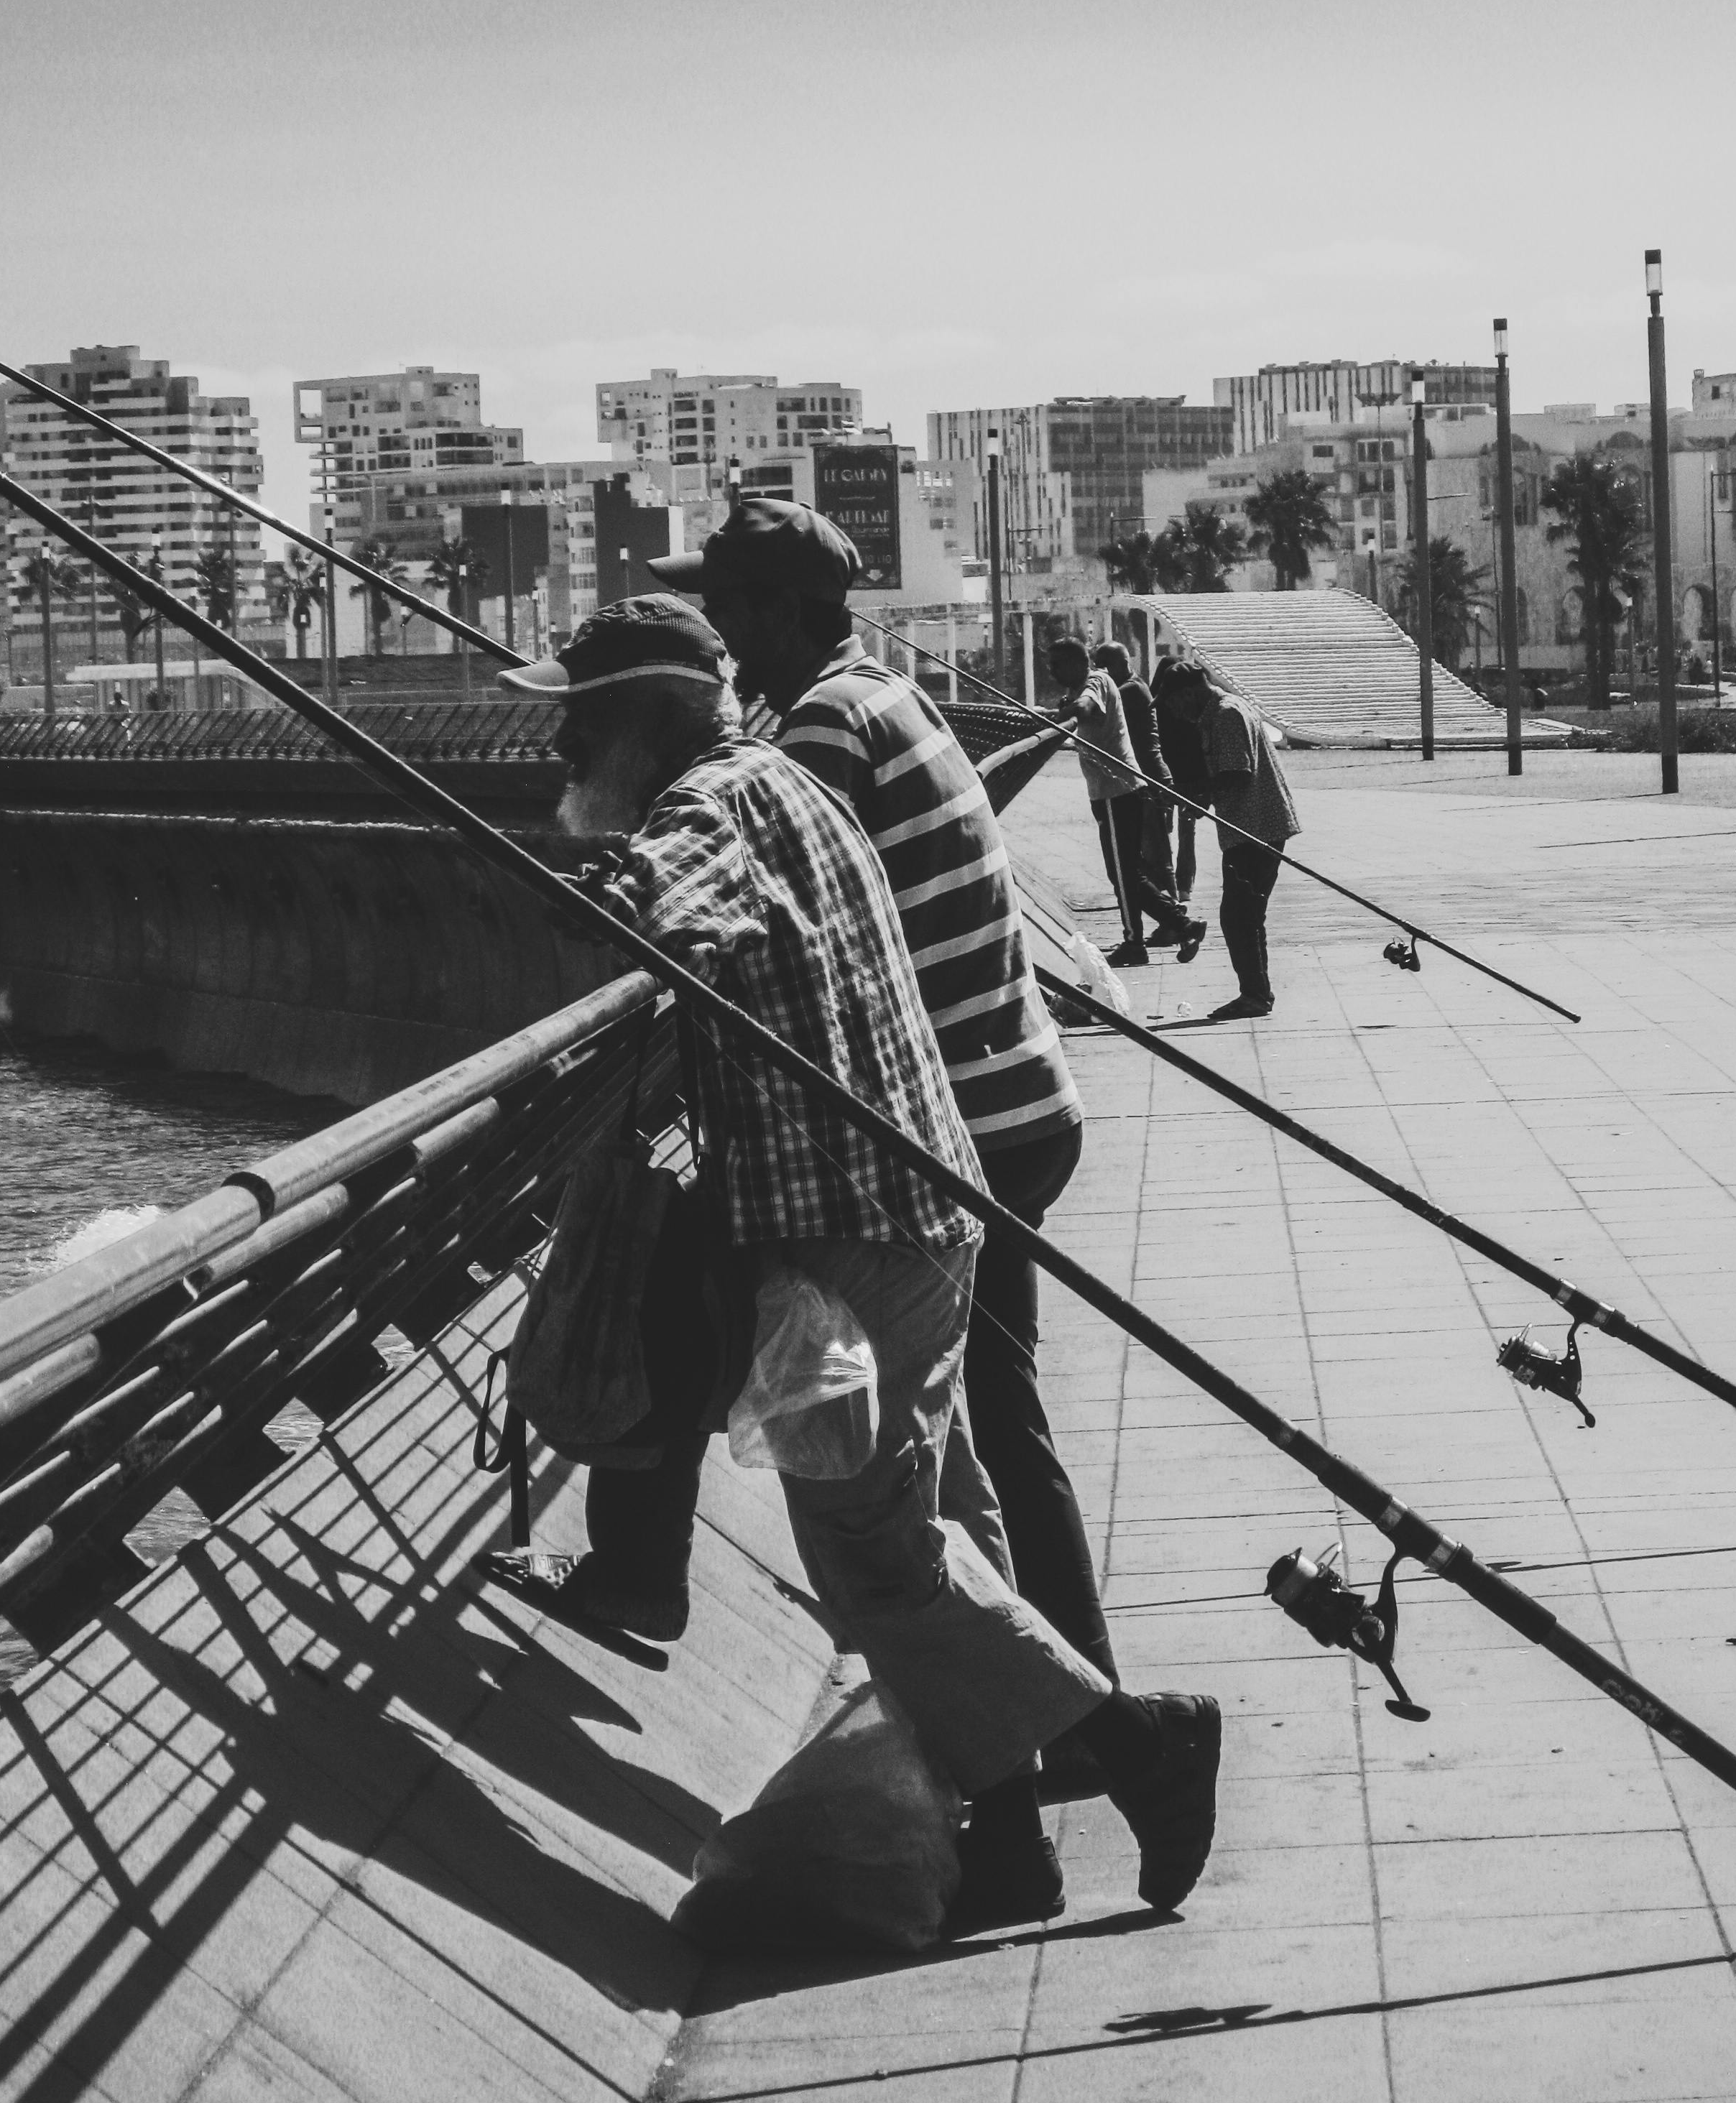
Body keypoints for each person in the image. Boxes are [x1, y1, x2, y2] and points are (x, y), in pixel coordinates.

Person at [498, 594, 1221, 1927]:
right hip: (915, 1206)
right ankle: (1012, 1844)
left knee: (872, 1559)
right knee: (942, 1515)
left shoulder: (715, 804)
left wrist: (571, 886)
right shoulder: (783, 776)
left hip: (849, 1240)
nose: (562, 748)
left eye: (580, 721)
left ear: (648, 714)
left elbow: (654, 901)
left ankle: (1141, 1745)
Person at [651, 502, 1120, 1787]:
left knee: (987, 1429)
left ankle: (1088, 1721)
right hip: (1016, 1097)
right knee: (984, 1430)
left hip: (969, 1122)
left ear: (782, 613)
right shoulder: (884, 695)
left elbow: (783, 904)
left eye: (731, 608)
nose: (720, 633)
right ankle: (1062, 1720)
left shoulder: (820, 729)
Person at [1044, 635, 1204, 971]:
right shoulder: (1087, 685)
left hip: (1118, 793)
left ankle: (1136, 943)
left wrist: (1061, 714)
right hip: (1111, 793)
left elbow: (1085, 708)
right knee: (1125, 873)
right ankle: (1182, 924)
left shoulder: (1096, 682)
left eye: (1057, 665)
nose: (1052, 672)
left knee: (1126, 873)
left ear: (1077, 662)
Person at [1155, 658, 1300, 1019]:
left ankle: (1255, 995)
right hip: (1250, 826)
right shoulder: (1222, 712)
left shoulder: (1225, 715)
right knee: (1247, 915)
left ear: (1190, 692)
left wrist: (1195, 793)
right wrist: (1199, 797)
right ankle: (1258, 992)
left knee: (1238, 916)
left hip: (1256, 828)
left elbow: (1237, 773)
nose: (1175, 713)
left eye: (1174, 704)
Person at [1091, 642, 1177, 912]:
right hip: (1147, 777)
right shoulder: (1131, 686)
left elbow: (1097, 709)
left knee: (1155, 851)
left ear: (1118, 665)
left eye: (1103, 668)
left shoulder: (1130, 690)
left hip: (1150, 779)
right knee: (1152, 850)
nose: (1100, 674)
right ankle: (1171, 908)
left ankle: (1173, 911)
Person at [1150, 653, 1212, 906]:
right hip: (1190, 773)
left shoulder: (1160, 705)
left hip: (1166, 772)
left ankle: (1165, 883)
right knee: (1188, 831)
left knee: (1163, 829)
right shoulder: (1190, 709)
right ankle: (1184, 884)